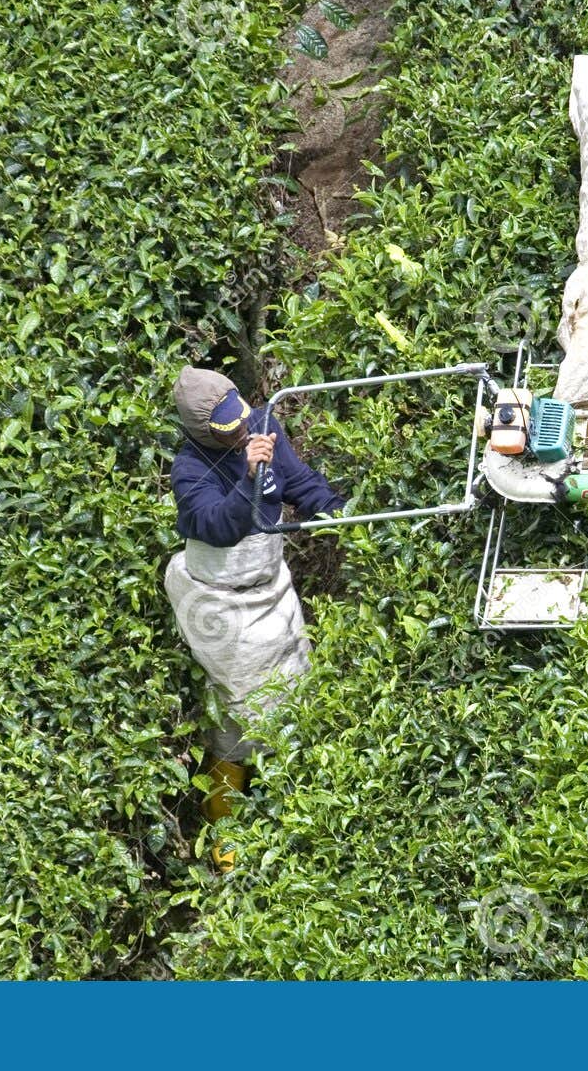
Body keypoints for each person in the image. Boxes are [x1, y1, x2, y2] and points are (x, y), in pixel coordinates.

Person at [165, 366, 345, 871]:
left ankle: (297, 810)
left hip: (271, 587)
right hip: (219, 605)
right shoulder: (189, 469)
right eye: (231, 430)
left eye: (243, 418)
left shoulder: (263, 423)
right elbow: (218, 526)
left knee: (296, 693)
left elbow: (299, 483)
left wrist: (338, 515)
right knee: (237, 715)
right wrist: (247, 477)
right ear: (204, 434)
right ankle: (227, 832)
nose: (245, 431)